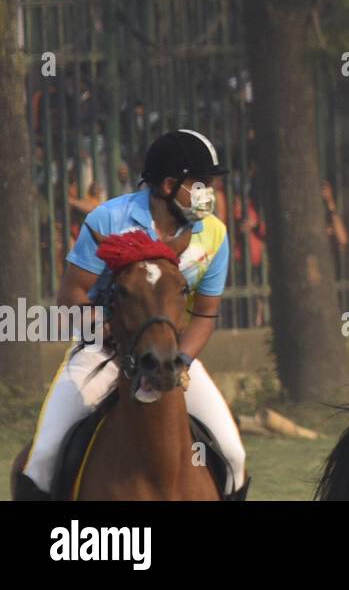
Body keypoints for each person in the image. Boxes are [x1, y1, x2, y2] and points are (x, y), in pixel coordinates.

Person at [16, 129, 250, 500]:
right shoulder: (108, 219)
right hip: (103, 351)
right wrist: (104, 329)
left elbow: (205, 314)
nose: (211, 192)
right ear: (170, 184)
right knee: (41, 459)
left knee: (235, 457)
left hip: (172, 355)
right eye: (201, 183)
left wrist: (182, 361)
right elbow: (71, 294)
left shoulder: (215, 234)